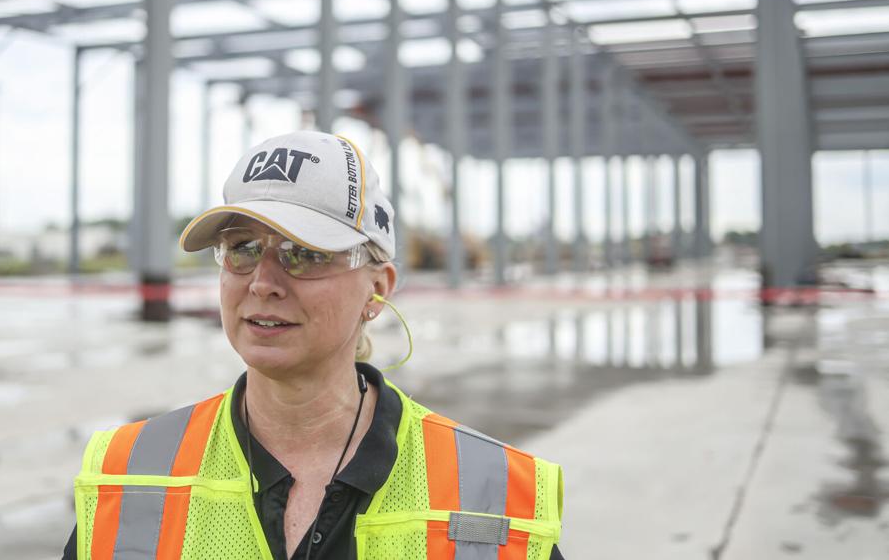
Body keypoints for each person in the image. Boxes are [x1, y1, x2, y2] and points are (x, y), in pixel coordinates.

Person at [64, 130, 566, 559]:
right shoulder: (129, 474)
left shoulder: (494, 495)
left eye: (304, 253)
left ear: (377, 288)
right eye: (242, 248)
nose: (263, 282)